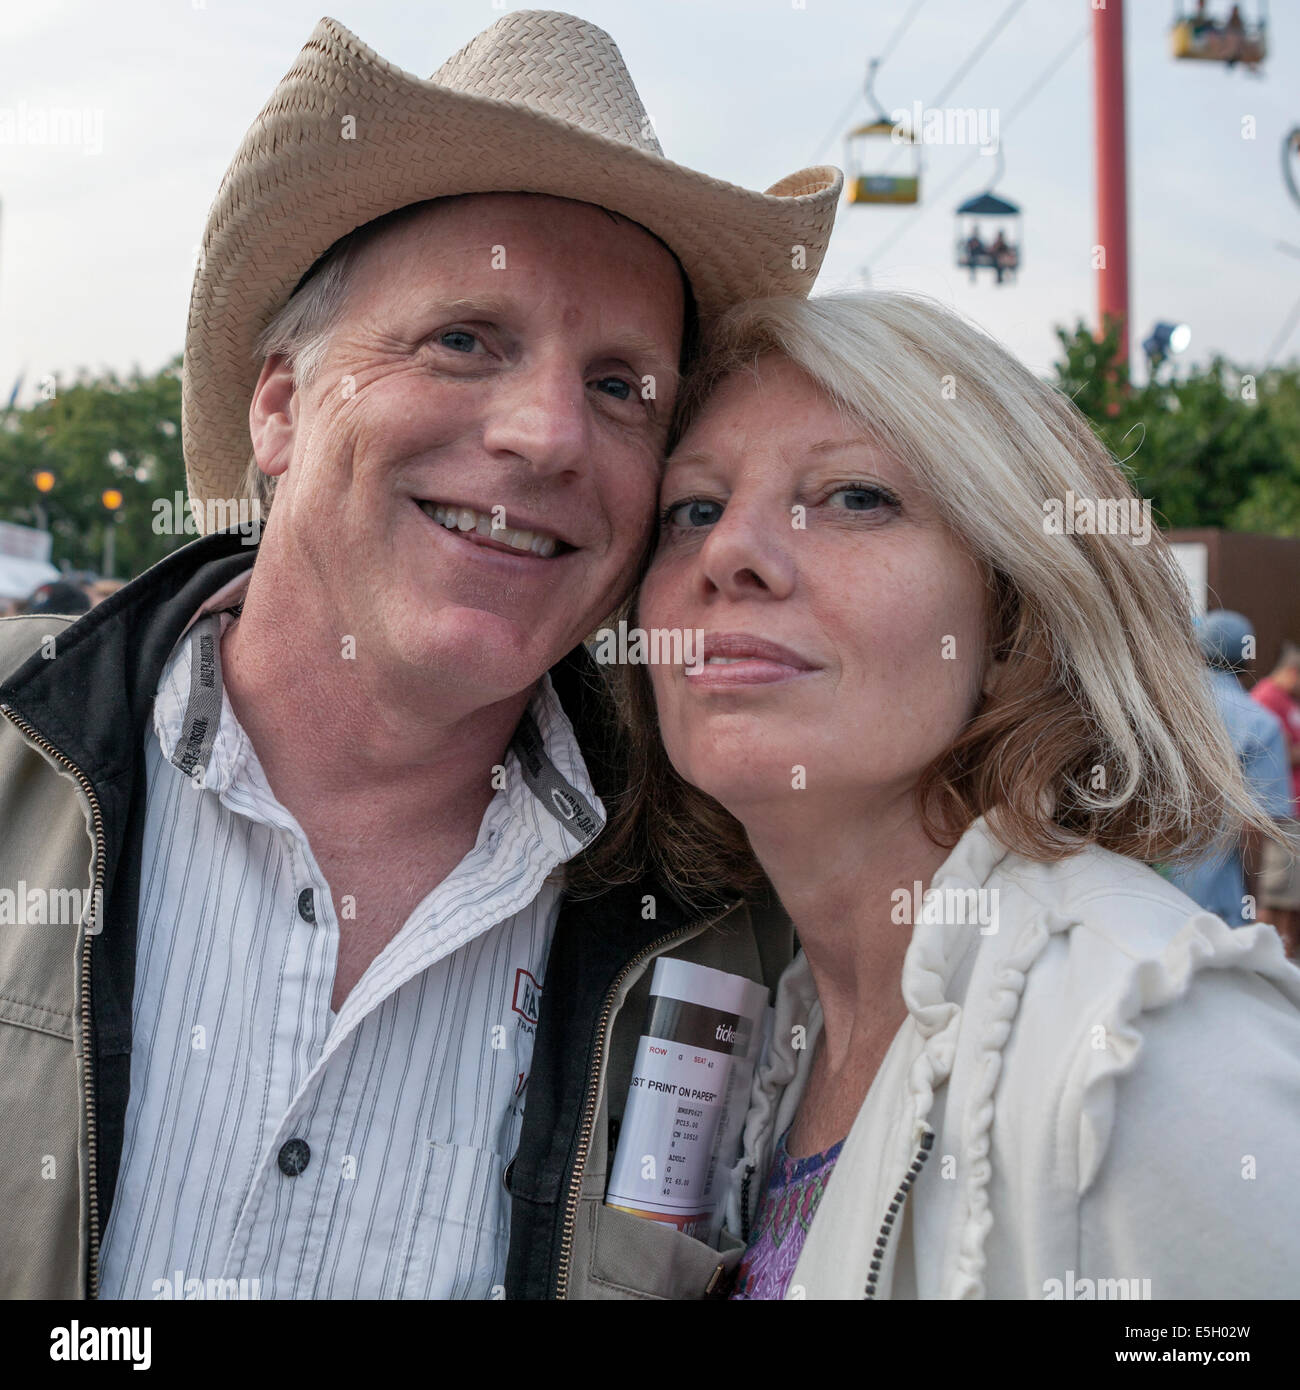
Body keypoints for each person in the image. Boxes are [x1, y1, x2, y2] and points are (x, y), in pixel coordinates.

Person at [0, 11, 839, 1299]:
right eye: (464, 340)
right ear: (277, 404)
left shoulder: (751, 918)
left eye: (623, 386)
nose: (548, 434)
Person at [555, 290, 1300, 1299]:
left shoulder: (1145, 1046)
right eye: (694, 508)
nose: (728, 552)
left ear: (1009, 620)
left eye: (855, 497)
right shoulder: (783, 1021)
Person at [1164, 610, 1292, 927]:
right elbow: (1254, 825)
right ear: (1247, 660)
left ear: (1198, 651)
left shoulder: (1162, 710)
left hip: (1145, 892)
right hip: (1217, 905)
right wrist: (1253, 901)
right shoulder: (1261, 724)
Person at [1251, 641, 1300, 955]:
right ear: (1292, 671)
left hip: (1291, 808)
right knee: (1273, 890)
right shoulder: (1267, 699)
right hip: (1280, 807)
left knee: (1290, 892)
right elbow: (1276, 752)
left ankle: (1285, 955)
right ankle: (1267, 955)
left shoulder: (1287, 700)